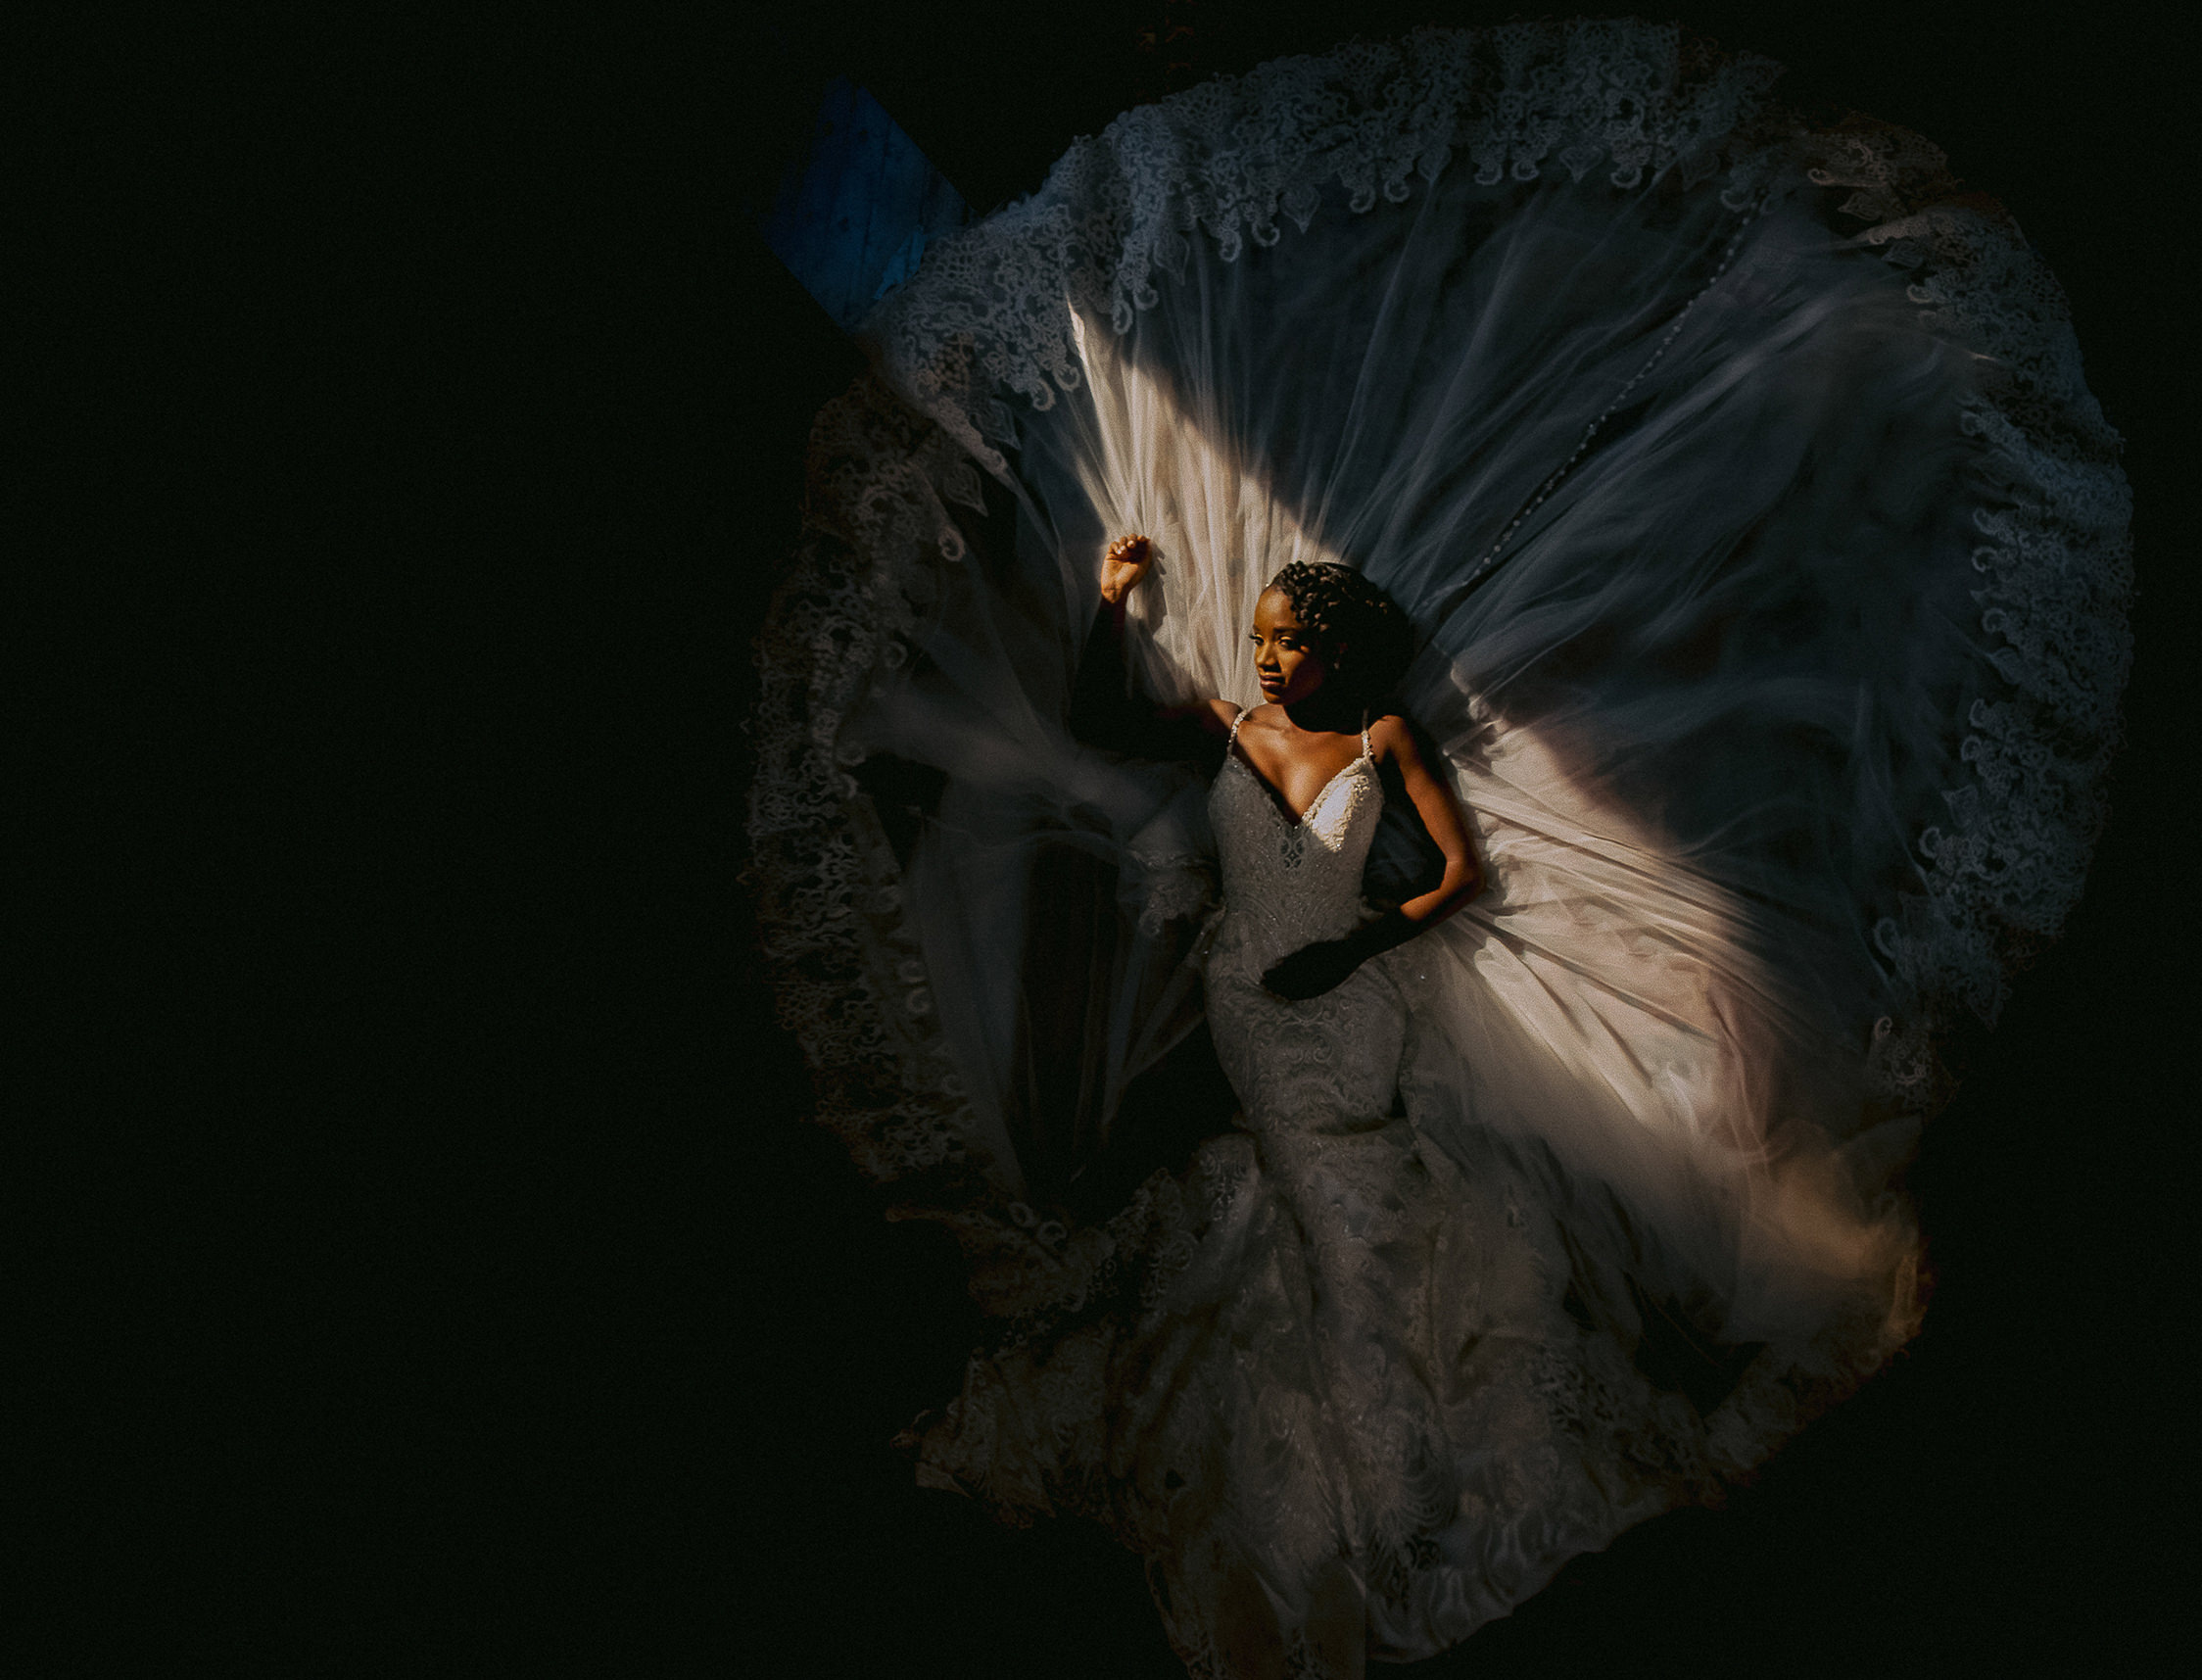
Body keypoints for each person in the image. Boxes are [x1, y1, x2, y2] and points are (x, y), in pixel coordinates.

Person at [746, 18, 2130, 1674]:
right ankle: (1386, 1467)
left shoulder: (1378, 731)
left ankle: (1426, 1461)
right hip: (1274, 1013)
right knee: (1339, 1233)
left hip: (1355, 995)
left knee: (1402, 1211)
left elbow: (1445, 869)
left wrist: (1375, 930)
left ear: (1323, 654)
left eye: (1283, 650)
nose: (1268, 670)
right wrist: (1124, 626)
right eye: (1261, 655)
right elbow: (1129, 733)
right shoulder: (1247, 724)